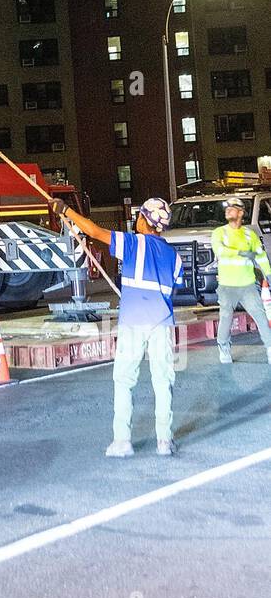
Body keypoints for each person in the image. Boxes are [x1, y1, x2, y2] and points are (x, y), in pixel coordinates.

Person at [55, 196, 183, 458]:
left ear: (145, 220)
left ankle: (123, 442)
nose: (137, 220)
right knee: (163, 381)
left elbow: (93, 231)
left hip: (133, 321)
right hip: (161, 323)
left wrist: (66, 211)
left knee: (124, 380)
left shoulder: (132, 243)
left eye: (140, 216)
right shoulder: (173, 255)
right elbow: (175, 287)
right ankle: (164, 441)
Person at [210, 196, 271, 365]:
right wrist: (240, 252)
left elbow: (261, 256)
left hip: (247, 285)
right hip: (227, 286)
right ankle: (224, 347)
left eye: (232, 208)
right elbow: (220, 250)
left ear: (241, 212)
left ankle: (270, 347)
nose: (228, 211)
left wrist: (268, 275)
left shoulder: (249, 235)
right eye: (227, 208)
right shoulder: (219, 233)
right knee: (226, 318)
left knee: (260, 316)